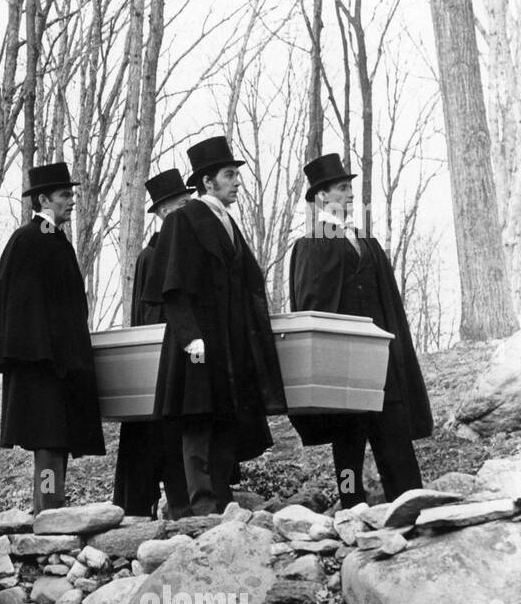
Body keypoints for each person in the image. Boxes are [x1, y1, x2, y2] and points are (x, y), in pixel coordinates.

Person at [142, 136, 287, 515]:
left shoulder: (229, 223)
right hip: (197, 345)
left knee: (225, 420)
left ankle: (222, 500)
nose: (237, 181)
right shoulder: (183, 221)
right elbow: (172, 289)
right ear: (207, 182)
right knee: (198, 422)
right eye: (229, 175)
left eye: (236, 174)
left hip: (229, 344)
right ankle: (201, 505)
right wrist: (190, 338)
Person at [288, 152, 432, 507]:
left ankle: (410, 499)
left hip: (381, 360)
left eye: (350, 187)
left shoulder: (366, 241)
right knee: (348, 443)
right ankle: (351, 503)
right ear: (321, 196)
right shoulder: (310, 245)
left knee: (394, 434)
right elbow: (311, 309)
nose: (350, 195)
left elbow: (387, 303)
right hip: (344, 364)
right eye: (342, 188)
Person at [0, 161, 106, 514]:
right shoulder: (28, 240)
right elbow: (16, 306)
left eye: (72, 194)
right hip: (42, 366)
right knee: (48, 440)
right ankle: (49, 510)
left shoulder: (56, 240)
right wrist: (45, 351)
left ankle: (48, 508)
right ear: (44, 199)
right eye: (65, 195)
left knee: (58, 439)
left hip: (61, 364)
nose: (72, 201)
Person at [113, 168, 193, 519]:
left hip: (189, 361)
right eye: (181, 205)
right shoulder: (151, 256)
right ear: (162, 213)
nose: (188, 212)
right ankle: (153, 507)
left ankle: (185, 502)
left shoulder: (190, 250)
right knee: (158, 439)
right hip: (161, 361)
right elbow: (148, 318)